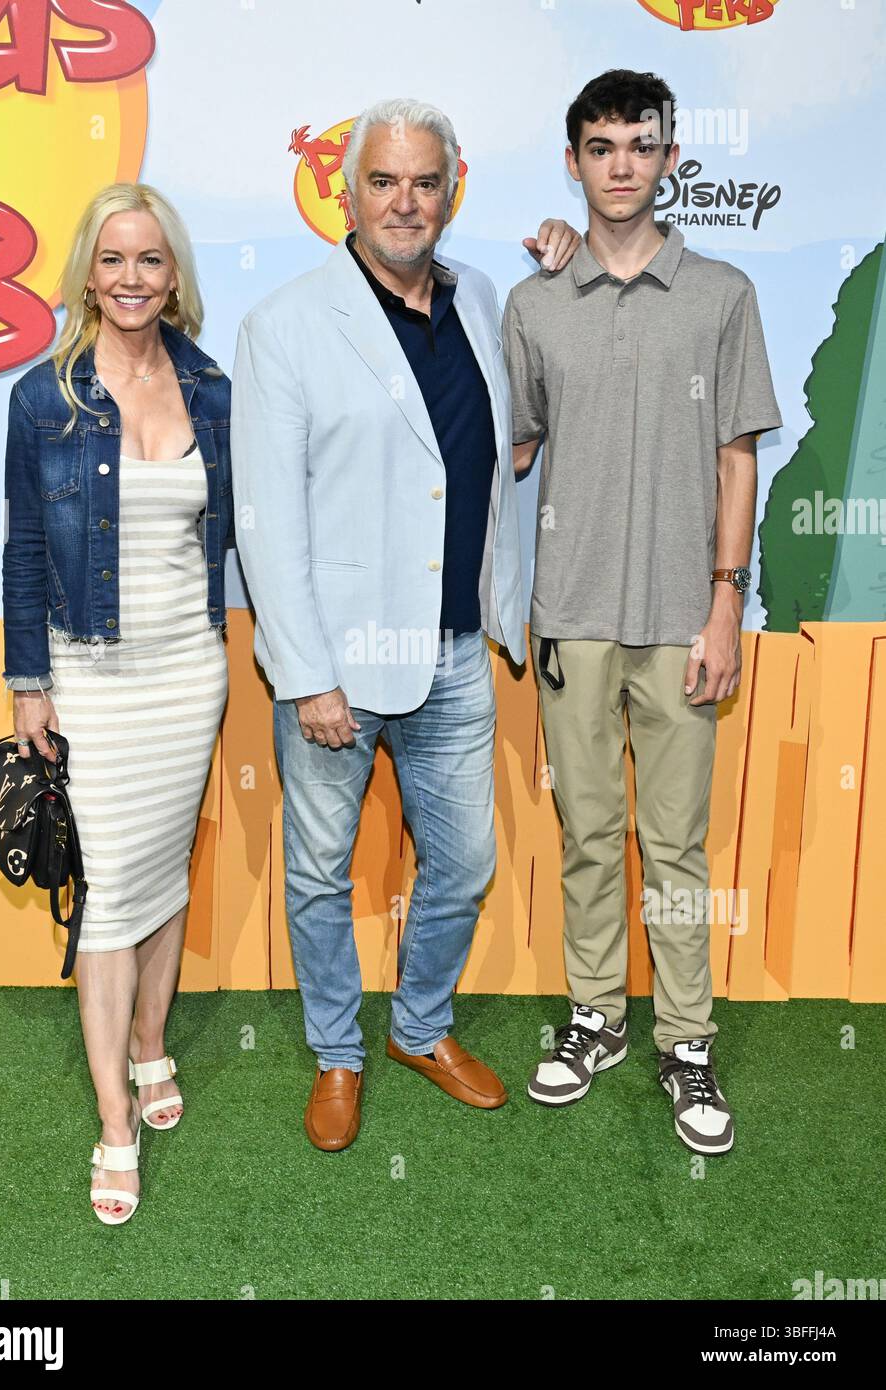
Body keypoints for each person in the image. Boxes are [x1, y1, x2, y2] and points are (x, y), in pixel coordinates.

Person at [232, 97, 580, 1152]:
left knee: (464, 863)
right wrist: (306, 673)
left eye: (424, 182)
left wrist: (563, 272)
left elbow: (509, 435)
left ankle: (419, 1027)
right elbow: (265, 518)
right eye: (382, 181)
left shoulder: (480, 298)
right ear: (346, 193)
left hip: (452, 652)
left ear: (450, 190)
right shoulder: (284, 325)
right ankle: (338, 1050)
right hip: (333, 664)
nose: (404, 201)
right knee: (315, 872)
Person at [504, 70, 782, 1155]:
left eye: (639, 144)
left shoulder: (720, 294)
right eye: (600, 146)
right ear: (571, 161)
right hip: (568, 615)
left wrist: (724, 604)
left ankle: (685, 1039)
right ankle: (592, 1018)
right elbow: (514, 445)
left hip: (681, 619)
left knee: (673, 845)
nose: (620, 164)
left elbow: (735, 459)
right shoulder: (532, 303)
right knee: (586, 833)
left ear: (669, 158)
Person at [1, 182, 234, 1221]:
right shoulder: (41, 397)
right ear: (87, 275)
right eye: (112, 259)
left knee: (163, 873)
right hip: (89, 673)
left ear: (172, 273)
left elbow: (231, 530)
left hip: (188, 672)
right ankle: (113, 1119)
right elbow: (19, 549)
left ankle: (151, 1048)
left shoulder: (216, 390)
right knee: (107, 899)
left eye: (149, 259)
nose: (131, 278)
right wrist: (27, 683)